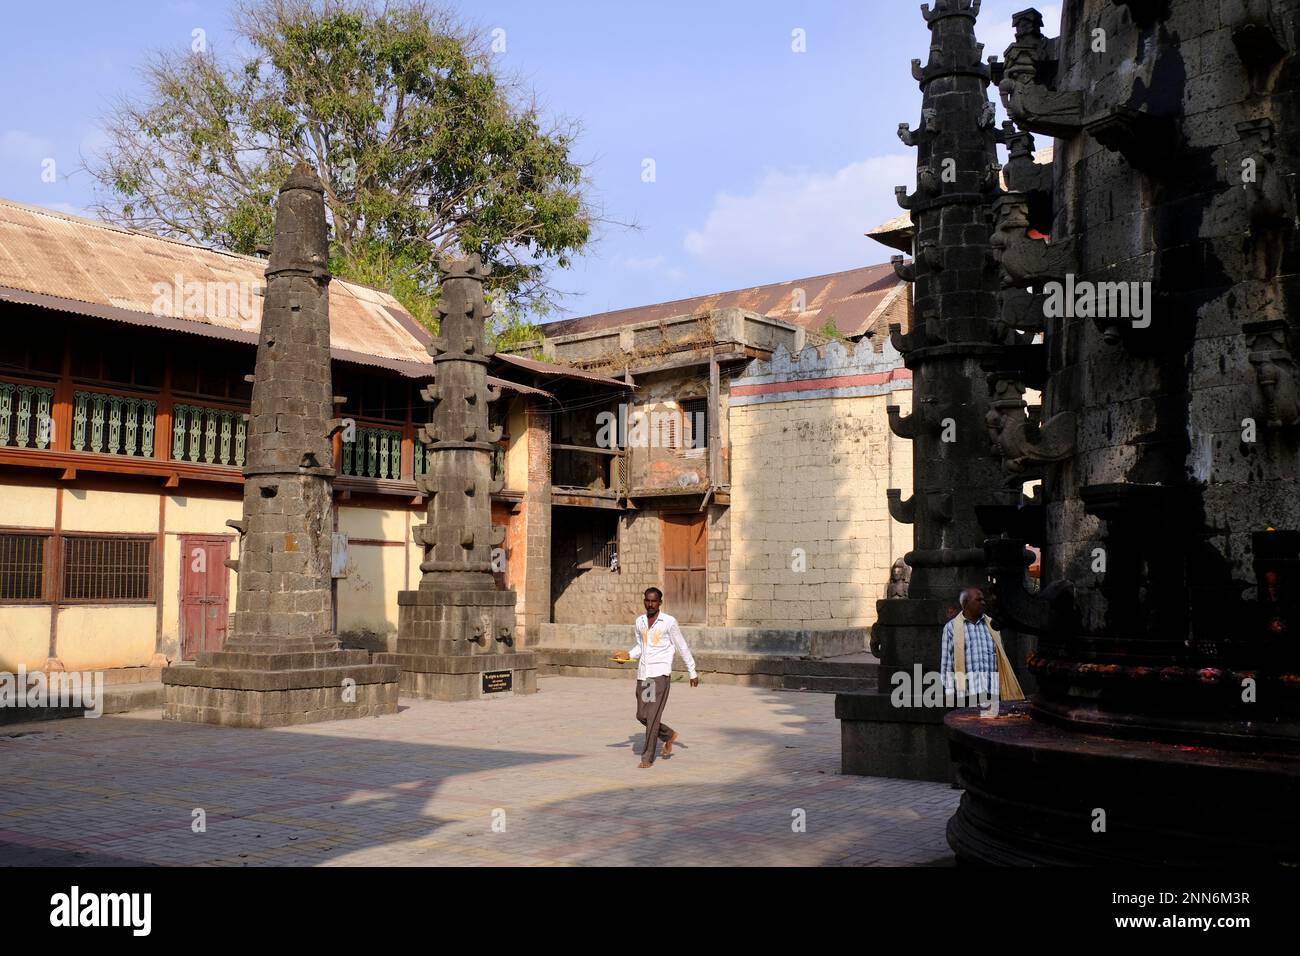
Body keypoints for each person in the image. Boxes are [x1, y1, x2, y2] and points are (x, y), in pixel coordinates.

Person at [620, 587, 699, 768]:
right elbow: (641, 647)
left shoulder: (669, 622)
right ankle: (669, 734)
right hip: (645, 676)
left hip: (660, 676)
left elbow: (681, 646)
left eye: (653, 601)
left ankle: (647, 757)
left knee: (653, 717)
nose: (650, 604)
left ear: (660, 603)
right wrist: (627, 656)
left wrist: (692, 671)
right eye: (647, 601)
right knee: (643, 715)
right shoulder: (639, 622)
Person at [939, 587, 1024, 707]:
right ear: (965, 603)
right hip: (967, 695)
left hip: (992, 693)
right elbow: (946, 664)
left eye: (983, 600)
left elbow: (1001, 659)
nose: (983, 602)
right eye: (978, 600)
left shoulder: (992, 625)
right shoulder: (951, 628)